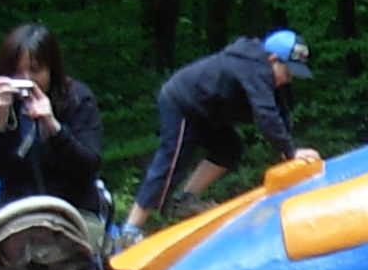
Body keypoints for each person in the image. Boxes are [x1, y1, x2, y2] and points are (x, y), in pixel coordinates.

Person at [121, 28, 316, 237]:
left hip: (206, 112)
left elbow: (280, 113)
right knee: (172, 161)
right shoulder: (255, 68)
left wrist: (289, 155)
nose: (289, 79)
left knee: (229, 149)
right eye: (288, 71)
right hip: (182, 103)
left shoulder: (265, 72)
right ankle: (130, 230)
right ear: (273, 58)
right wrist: (290, 152)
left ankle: (184, 201)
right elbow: (265, 114)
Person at [0, 21, 105, 215]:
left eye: (35, 71)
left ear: (51, 70)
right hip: (18, 213)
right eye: (17, 73)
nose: (27, 80)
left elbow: (89, 167)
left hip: (72, 211)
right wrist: (0, 121)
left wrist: (54, 128)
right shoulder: (2, 102)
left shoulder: (78, 98)